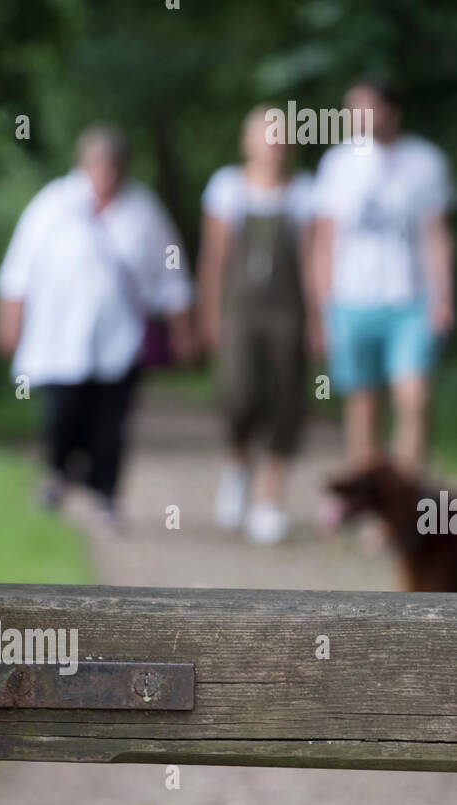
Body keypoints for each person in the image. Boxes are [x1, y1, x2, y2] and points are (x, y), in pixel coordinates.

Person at [0, 125, 195, 527]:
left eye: (113, 165)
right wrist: (9, 319)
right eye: (98, 164)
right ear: (83, 164)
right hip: (59, 336)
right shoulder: (53, 204)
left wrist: (182, 328)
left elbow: (171, 275)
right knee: (64, 410)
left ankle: (107, 494)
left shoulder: (143, 211)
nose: (106, 173)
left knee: (112, 420)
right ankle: (58, 472)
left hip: (122, 339)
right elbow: (19, 268)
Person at [310, 79, 454, 474]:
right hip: (351, 300)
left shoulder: (426, 162)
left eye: (366, 107)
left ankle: (406, 498)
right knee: (363, 404)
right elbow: (324, 241)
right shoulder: (337, 163)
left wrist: (444, 296)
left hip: (411, 300)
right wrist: (322, 308)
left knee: (414, 398)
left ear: (392, 111)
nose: (356, 116)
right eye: (351, 108)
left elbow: (436, 235)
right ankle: (371, 499)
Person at [197, 106, 316, 544]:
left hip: (288, 310)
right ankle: (238, 464)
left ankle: (269, 499)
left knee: (286, 398)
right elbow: (214, 258)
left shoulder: (305, 192)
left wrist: (317, 318)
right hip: (240, 310)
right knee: (238, 394)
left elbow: (311, 261)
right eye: (265, 134)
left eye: (280, 134)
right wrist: (207, 312)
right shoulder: (227, 187)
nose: (273, 142)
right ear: (247, 141)